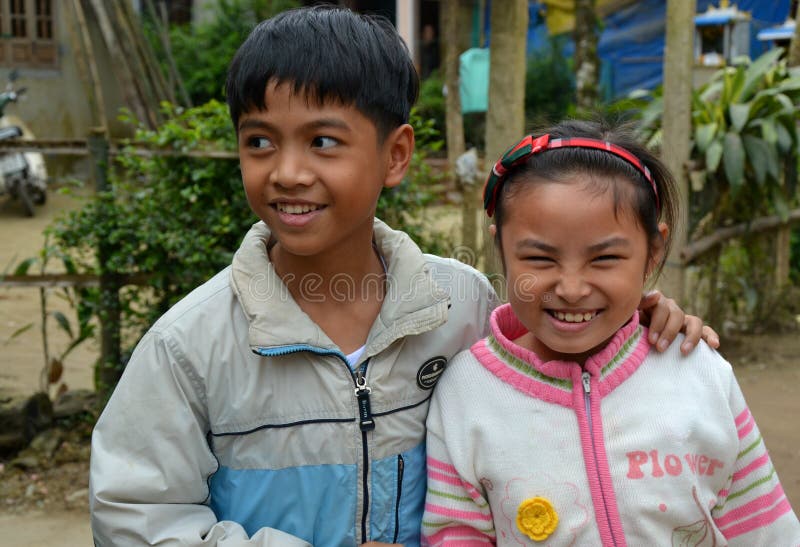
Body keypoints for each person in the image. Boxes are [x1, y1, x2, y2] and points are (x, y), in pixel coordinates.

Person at [89, 7, 716, 547]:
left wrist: (637, 327)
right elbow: (135, 517)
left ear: (396, 155)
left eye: (323, 142)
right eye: (259, 142)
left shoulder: (462, 306)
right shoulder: (189, 346)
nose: (287, 172)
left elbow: (563, 377)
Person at [421, 120, 800, 546]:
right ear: (502, 250)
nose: (571, 289)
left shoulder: (699, 369)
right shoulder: (465, 393)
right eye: (540, 259)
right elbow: (456, 534)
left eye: (604, 259)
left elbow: (764, 528)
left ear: (653, 251)